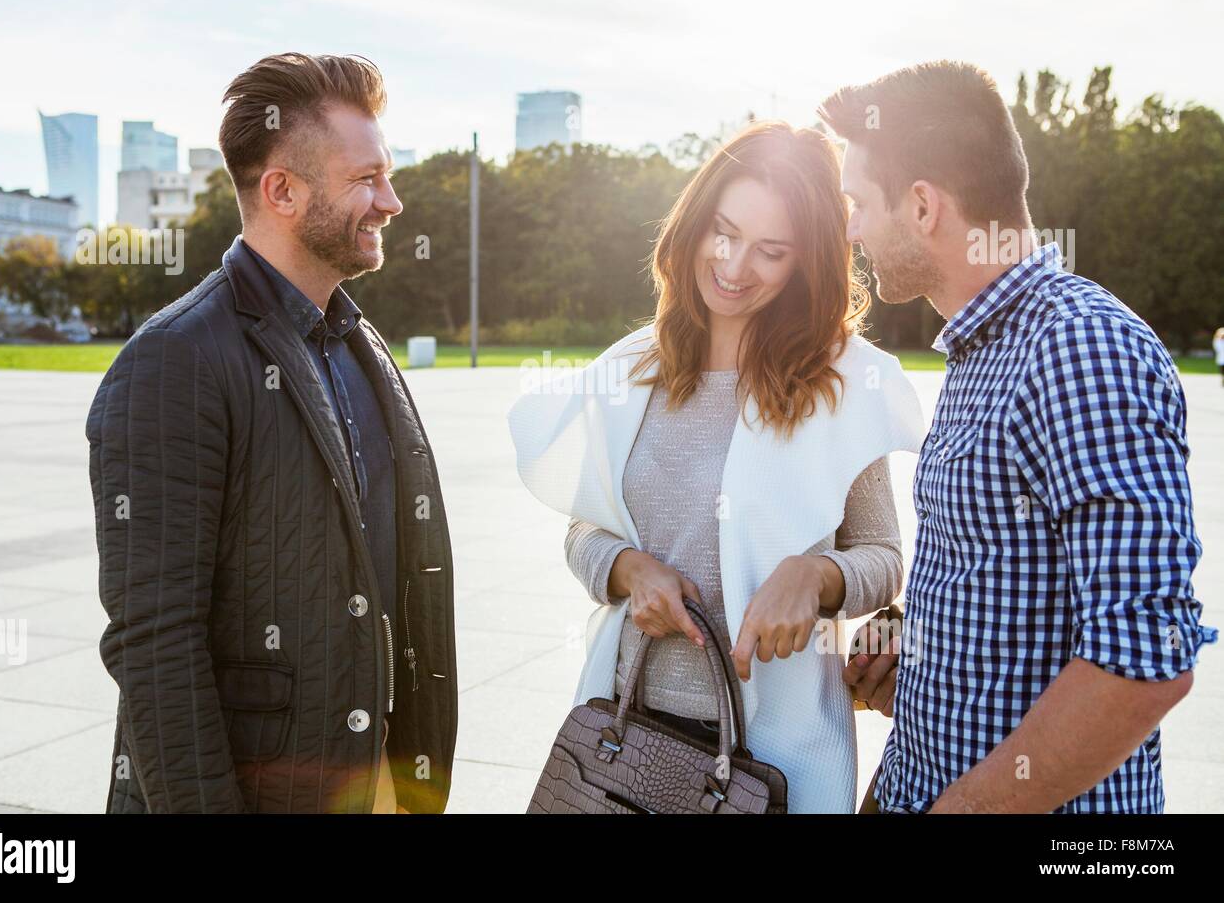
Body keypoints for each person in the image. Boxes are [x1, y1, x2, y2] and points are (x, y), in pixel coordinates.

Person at [825, 60, 1216, 812]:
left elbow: (1144, 662)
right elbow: (1023, 582)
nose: (851, 230)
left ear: (922, 205)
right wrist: (923, 645)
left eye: (858, 204)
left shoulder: (1079, 348)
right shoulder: (982, 350)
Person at [509, 121, 925, 813]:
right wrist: (626, 569)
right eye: (723, 233)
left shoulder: (840, 383)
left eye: (771, 251)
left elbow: (882, 556)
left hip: (777, 754)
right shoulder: (631, 368)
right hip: (625, 731)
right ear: (694, 225)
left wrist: (816, 576)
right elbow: (585, 531)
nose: (734, 268)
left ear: (806, 262)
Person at [87, 53, 456, 813]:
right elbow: (155, 645)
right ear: (281, 190)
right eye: (366, 179)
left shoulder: (359, 344)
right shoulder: (175, 359)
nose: (391, 201)